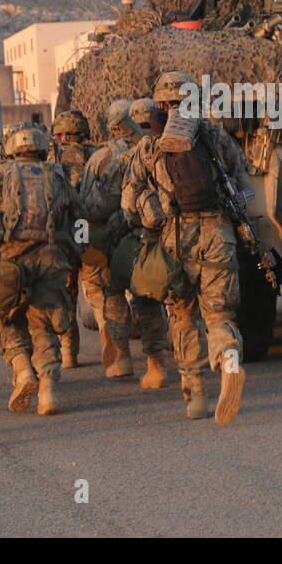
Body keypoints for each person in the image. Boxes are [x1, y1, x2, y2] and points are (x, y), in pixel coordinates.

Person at [121, 72, 250, 424]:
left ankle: (196, 393)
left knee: (181, 315)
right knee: (219, 313)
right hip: (218, 235)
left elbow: (129, 202)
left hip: (175, 242)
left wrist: (148, 216)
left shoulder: (148, 146)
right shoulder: (214, 135)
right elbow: (242, 183)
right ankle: (229, 360)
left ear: (161, 105)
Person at [0, 124, 83, 415]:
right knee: (44, 326)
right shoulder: (58, 176)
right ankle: (48, 389)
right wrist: (77, 252)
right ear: (41, 148)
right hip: (52, 259)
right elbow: (81, 217)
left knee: (6, 321)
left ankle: (23, 370)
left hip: (9, 261)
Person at [79, 98, 169, 386]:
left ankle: (121, 360)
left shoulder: (104, 157)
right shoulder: (166, 150)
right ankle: (156, 364)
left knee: (113, 295)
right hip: (155, 238)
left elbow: (92, 207)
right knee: (149, 300)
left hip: (118, 242)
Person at [51, 110, 95, 369]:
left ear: (59, 134)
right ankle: (118, 352)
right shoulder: (99, 154)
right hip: (94, 234)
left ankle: (69, 353)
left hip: (66, 237)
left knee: (66, 294)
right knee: (102, 292)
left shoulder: (52, 160)